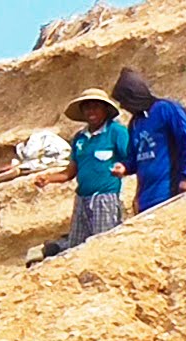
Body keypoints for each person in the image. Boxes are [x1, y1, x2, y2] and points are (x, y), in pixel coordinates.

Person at [33, 88, 130, 255]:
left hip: (105, 198)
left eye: (95, 107)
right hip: (82, 199)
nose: (90, 111)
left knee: (101, 245)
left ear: (105, 110)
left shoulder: (116, 132)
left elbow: (130, 158)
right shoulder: (80, 138)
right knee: (77, 247)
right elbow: (70, 172)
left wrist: (124, 168)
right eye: (87, 107)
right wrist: (48, 178)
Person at [110, 68, 186, 213]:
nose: (123, 106)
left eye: (124, 100)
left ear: (134, 95)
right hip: (146, 199)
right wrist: (124, 167)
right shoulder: (135, 123)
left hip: (170, 192)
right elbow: (135, 159)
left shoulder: (167, 109)